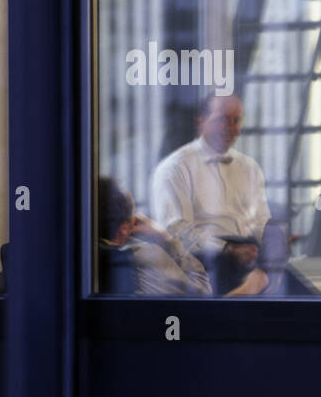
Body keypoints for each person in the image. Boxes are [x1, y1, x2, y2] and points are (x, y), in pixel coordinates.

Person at [150, 93, 271, 293]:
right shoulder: (174, 167)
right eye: (223, 119)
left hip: (251, 256)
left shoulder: (250, 167)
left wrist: (270, 246)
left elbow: (261, 222)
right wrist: (228, 250)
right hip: (207, 261)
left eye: (237, 120)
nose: (232, 128)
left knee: (307, 305)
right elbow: (176, 231)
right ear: (201, 121)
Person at [98, 176, 267, 296]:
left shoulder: (83, 257)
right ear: (124, 228)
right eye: (133, 218)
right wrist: (166, 240)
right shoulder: (142, 255)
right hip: (174, 334)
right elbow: (201, 296)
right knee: (256, 282)